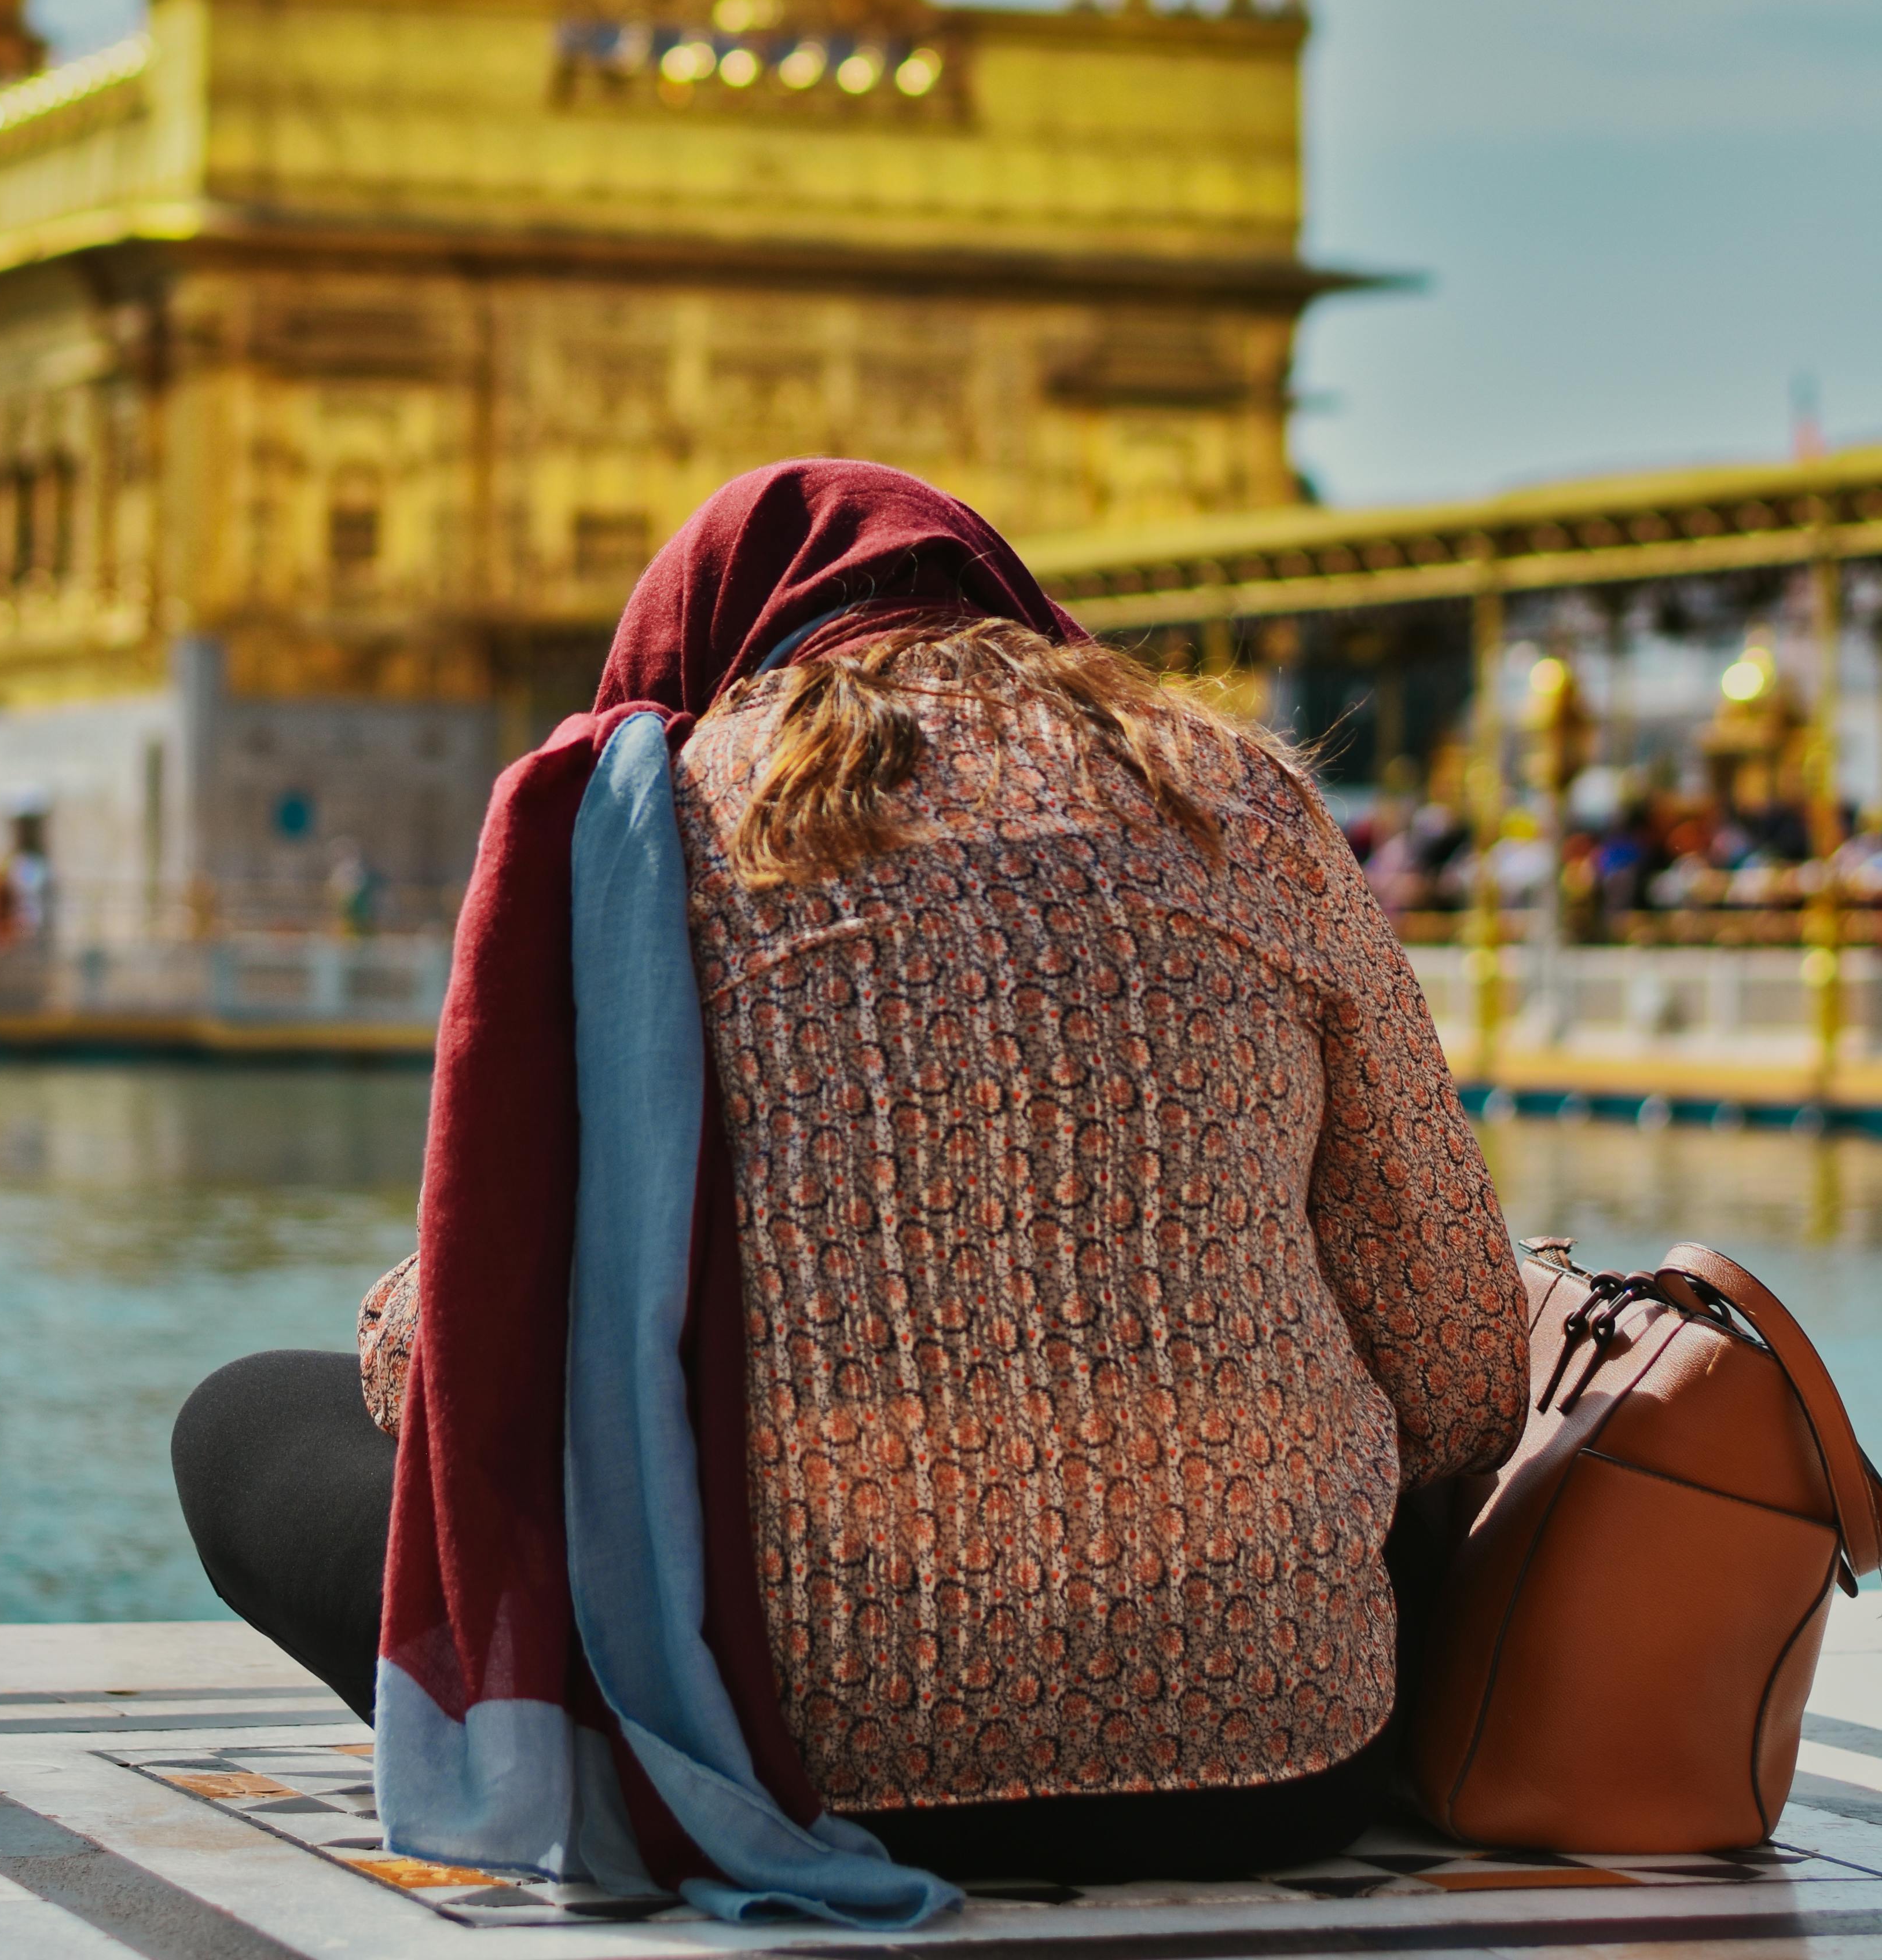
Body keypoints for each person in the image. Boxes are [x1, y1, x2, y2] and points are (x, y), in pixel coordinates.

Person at [173, 463, 1525, 1916]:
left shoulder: (639, 829)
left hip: (780, 1750)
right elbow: (1458, 1362)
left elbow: (466, 1365)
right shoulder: (1245, 800)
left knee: (245, 1416)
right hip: (1275, 1763)